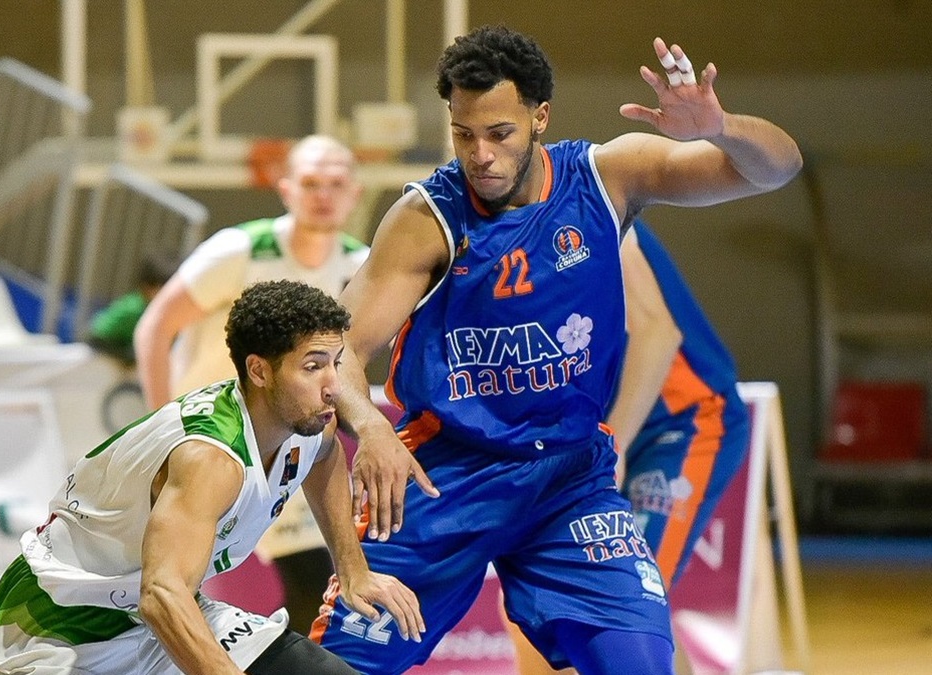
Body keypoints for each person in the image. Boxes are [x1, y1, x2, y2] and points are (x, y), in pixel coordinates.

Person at [309, 26, 801, 675]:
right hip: (445, 474)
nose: (480, 154)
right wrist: (369, 423)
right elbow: (335, 351)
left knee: (639, 661)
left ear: (541, 117)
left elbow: (777, 166)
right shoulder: (427, 216)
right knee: (336, 667)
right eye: (464, 134)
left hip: (570, 476)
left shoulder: (606, 177)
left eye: (500, 133)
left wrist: (720, 125)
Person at [0, 280, 425, 675]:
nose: (334, 384)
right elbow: (161, 596)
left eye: (336, 362)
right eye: (313, 366)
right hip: (59, 625)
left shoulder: (309, 419)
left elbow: (325, 457)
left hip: (161, 613)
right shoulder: (210, 459)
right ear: (259, 370)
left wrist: (353, 570)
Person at [134, 134, 368, 629]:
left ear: (355, 193)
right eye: (310, 183)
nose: (322, 194)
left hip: (285, 447)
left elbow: (349, 367)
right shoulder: (239, 250)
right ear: (286, 189)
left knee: (315, 583)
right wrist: (163, 431)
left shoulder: (360, 266)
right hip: (209, 443)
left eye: (335, 184)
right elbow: (155, 328)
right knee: (173, 586)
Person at [506, 219, 752, 675]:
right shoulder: (478, 229)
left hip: (686, 421)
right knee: (540, 606)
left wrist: (611, 445)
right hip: (591, 427)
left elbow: (659, 334)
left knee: (622, 603)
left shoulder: (586, 204)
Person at [88, 251, 178, 363]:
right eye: (165, 290)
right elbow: (96, 335)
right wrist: (126, 356)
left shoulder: (167, 312)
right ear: (148, 287)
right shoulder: (133, 309)